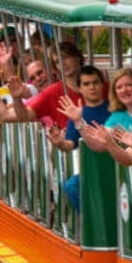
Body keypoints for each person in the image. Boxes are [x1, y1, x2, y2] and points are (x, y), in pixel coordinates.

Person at [45, 65, 111, 212]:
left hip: (116, 167)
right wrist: (59, 143)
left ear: (102, 85)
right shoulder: (77, 115)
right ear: (79, 88)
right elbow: (70, 144)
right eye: (86, 84)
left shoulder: (115, 111)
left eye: (95, 82)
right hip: (91, 171)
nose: (92, 87)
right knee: (71, 186)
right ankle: (90, 219)